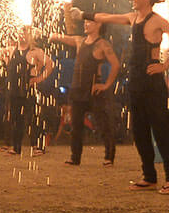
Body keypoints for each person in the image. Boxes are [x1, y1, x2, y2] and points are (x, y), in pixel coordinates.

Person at [66, 0, 169, 194]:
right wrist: (83, 14)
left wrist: (165, 65)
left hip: (152, 83)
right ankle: (149, 176)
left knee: (160, 130)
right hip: (136, 82)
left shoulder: (156, 21)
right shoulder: (133, 18)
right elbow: (107, 17)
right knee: (139, 131)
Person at [48, 16, 119, 166]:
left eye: (90, 22)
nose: (86, 24)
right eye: (85, 22)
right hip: (77, 89)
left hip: (94, 89)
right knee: (76, 126)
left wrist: (106, 85)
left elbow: (116, 65)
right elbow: (63, 38)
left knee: (102, 123)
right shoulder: (79, 41)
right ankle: (75, 157)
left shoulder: (102, 45)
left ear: (99, 24)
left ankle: (109, 156)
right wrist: (52, 36)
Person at [0, 26, 56, 156]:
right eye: (19, 33)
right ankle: (16, 147)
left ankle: (38, 146)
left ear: (30, 36)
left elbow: (50, 64)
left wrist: (39, 79)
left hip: (29, 90)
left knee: (33, 118)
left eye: (24, 33)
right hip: (14, 90)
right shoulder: (11, 50)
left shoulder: (35, 51)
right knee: (16, 119)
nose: (21, 35)